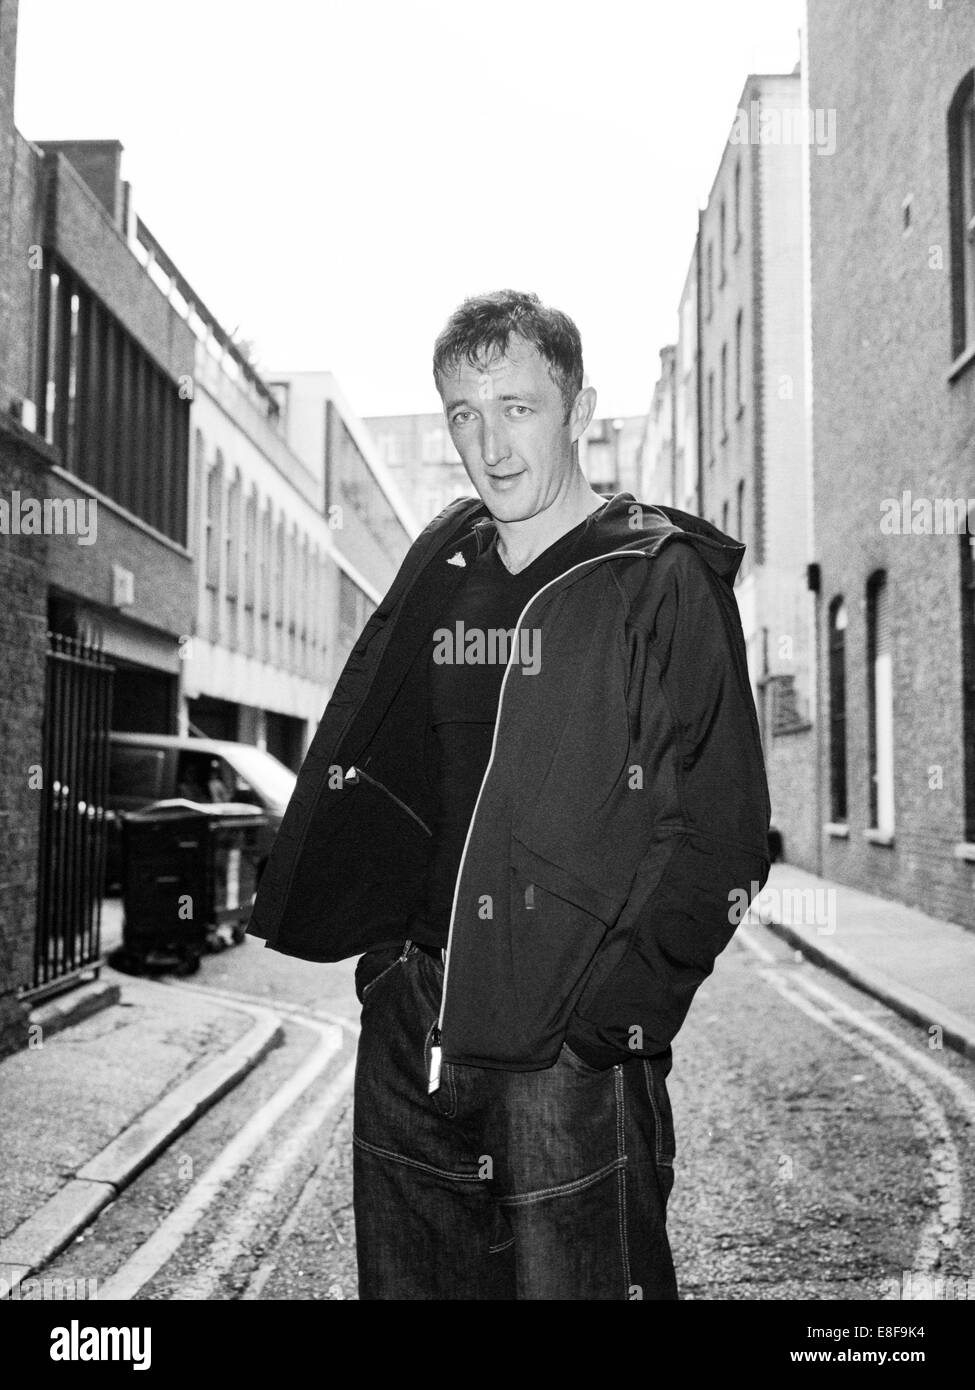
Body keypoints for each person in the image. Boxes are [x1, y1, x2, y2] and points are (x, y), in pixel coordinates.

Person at [247, 289, 771, 1300]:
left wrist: (609, 1015)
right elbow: (386, 757)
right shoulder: (446, 566)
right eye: (461, 414)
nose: (487, 443)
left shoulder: (658, 577)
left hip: (566, 1045)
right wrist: (388, 965)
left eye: (517, 407)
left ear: (579, 408)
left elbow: (723, 832)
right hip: (417, 1022)